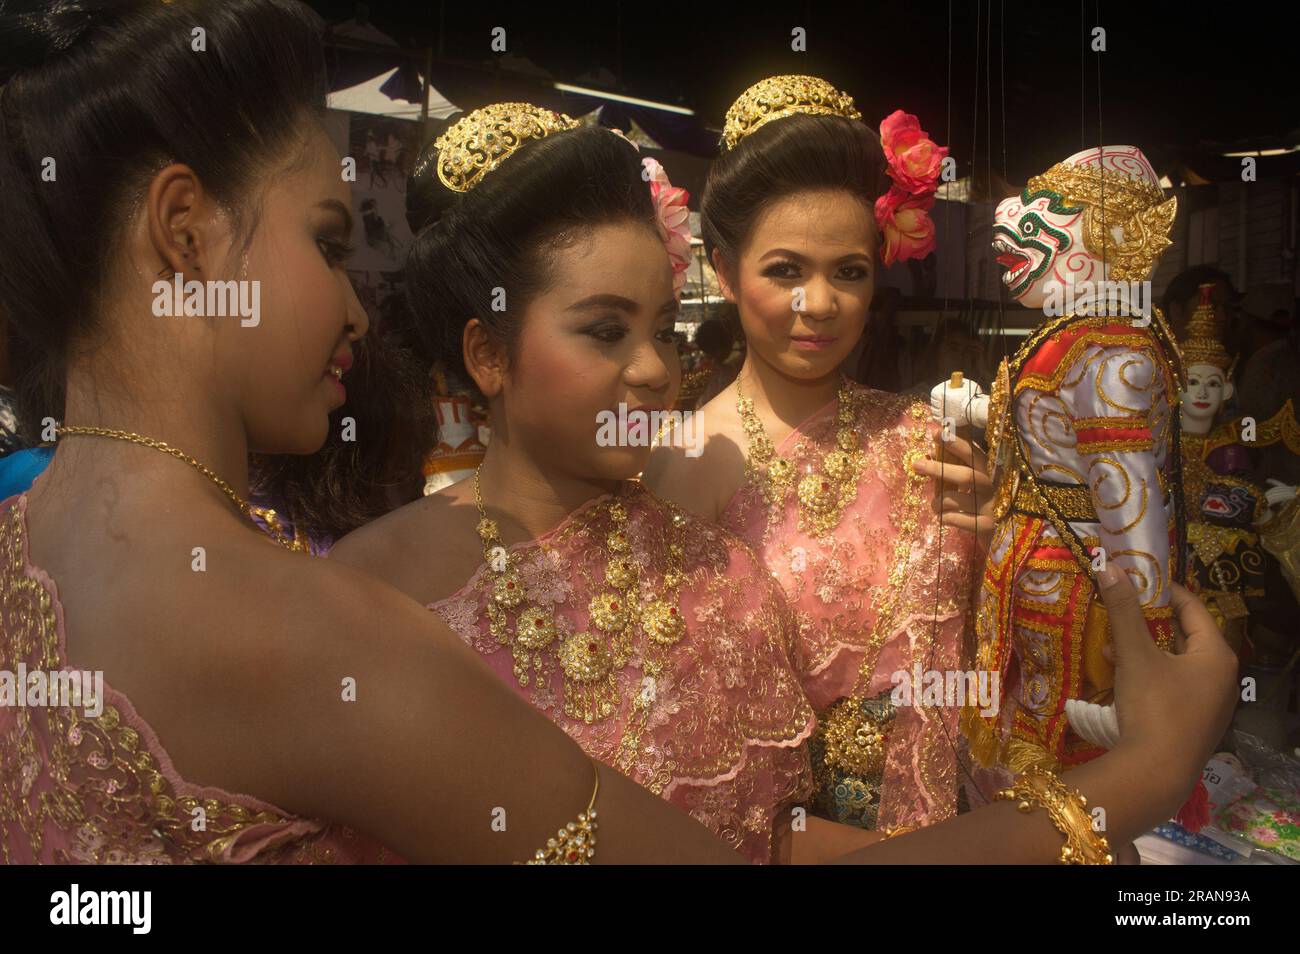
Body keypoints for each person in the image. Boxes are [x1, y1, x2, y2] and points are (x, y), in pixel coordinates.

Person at [0, 1, 1237, 866]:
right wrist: (1132, 781)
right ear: (183, 236)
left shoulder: (30, 542)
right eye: (329, 240)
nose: (354, 297)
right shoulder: (306, 621)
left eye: (851, 273)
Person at [328, 104, 818, 864]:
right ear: (489, 355)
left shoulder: (722, 575)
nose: (657, 371)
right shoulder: (368, 592)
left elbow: (775, 840)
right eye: (605, 331)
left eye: (663, 330)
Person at [644, 76, 987, 838]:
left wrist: (1000, 548)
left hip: (935, 827)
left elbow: (983, 666)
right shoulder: (683, 464)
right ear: (725, 272)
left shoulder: (925, 439)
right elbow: (680, 735)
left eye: (849, 272)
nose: (821, 304)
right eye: (786, 271)